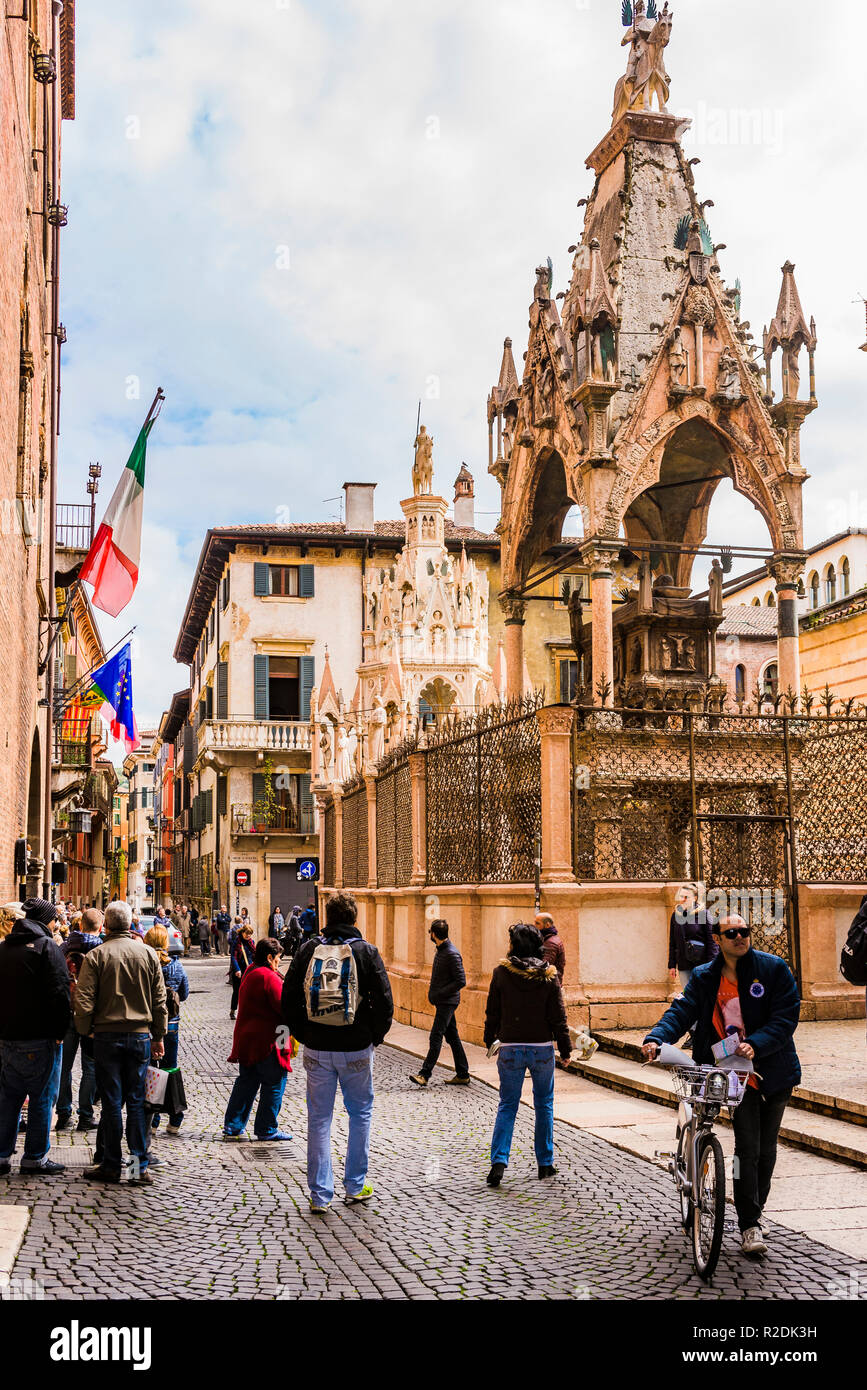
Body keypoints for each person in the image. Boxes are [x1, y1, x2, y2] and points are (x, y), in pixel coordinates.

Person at [641, 912, 801, 1258]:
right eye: (732, 933)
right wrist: (656, 1038)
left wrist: (756, 1043)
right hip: (731, 1077)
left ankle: (754, 1211)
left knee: (765, 1152)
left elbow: (786, 1016)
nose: (740, 937)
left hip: (772, 1073)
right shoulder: (704, 976)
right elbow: (680, 1013)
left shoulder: (773, 969)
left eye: (745, 931)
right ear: (718, 939)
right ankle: (749, 1225)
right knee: (746, 1149)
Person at [281, 891, 393, 1214]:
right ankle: (355, 1186)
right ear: (354, 919)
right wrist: (373, 1038)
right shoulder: (366, 952)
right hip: (356, 1047)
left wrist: (303, 1034)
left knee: (318, 1120)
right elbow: (385, 1003)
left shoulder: (307, 951)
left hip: (317, 1048)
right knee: (360, 1114)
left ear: (325, 918)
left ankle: (320, 1195)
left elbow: (288, 1000)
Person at [74, 901, 167, 1185]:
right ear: (129, 925)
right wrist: (159, 1035)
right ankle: (139, 1169)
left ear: (106, 926)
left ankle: (112, 1164)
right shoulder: (148, 954)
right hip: (139, 1036)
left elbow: (83, 999)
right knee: (137, 1103)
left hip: (105, 1036)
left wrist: (86, 1030)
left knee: (112, 1103)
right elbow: (160, 1000)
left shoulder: (96, 956)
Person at [483, 923, 572, 1188]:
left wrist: (490, 1040)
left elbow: (492, 1012)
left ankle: (498, 1162)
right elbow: (559, 1017)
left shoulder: (501, 973)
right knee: (544, 1104)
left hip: (510, 1047)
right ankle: (545, 1163)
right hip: (542, 1047)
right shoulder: (548, 976)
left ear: (515, 946)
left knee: (507, 1105)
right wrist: (565, 1049)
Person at [0, 898, 71, 1177]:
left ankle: (2, 1155)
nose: (56, 924)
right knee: (42, 1097)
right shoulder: (46, 947)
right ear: (46, 921)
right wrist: (59, 1033)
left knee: (8, 1097)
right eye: (54, 920)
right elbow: (60, 993)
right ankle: (35, 1158)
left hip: (8, 1037)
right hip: (40, 1037)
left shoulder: (4, 948)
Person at [223, 938, 294, 1141]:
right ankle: (266, 1127)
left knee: (247, 1081)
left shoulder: (251, 970)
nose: (279, 962)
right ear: (270, 957)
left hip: (247, 1039)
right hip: (269, 1040)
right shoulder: (268, 977)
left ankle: (233, 1125)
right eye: (278, 958)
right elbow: (283, 1007)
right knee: (275, 1081)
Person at [56, 907, 104, 1131]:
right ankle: (85, 1115)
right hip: (92, 1015)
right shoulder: (102, 949)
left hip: (66, 1013)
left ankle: (64, 1114)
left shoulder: (64, 947)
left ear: (81, 924)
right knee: (91, 1067)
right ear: (100, 926)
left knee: (64, 1068)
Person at [409, 919, 470, 1088]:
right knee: (452, 1037)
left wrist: (440, 993)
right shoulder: (442, 950)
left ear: (433, 934)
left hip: (447, 1002)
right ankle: (463, 1073)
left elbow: (461, 980)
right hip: (443, 1001)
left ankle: (424, 1074)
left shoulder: (451, 953)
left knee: (436, 1035)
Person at [144, 926, 189, 1136]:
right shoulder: (177, 966)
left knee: (151, 1070)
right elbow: (185, 993)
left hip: (148, 1025)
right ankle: (175, 1118)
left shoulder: (145, 964)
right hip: (171, 1024)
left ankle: (153, 1120)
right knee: (170, 1069)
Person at [668, 882, 718, 992]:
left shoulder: (703, 914)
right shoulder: (675, 915)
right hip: (683, 965)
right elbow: (672, 942)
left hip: (702, 964)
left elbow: (712, 941)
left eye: (687, 896)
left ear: (695, 898)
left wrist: (711, 965)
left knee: (703, 995)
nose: (683, 899)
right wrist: (672, 965)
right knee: (688, 996)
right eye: (682, 896)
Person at [229, 921, 255, 1020]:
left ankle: (245, 1011)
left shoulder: (251, 942)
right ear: (242, 932)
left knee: (248, 992)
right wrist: (237, 969)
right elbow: (233, 957)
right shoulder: (237, 942)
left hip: (249, 969)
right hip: (238, 970)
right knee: (237, 991)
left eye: (250, 935)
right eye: (247, 934)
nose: (248, 936)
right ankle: (233, 1010)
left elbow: (254, 954)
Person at [534, 912, 566, 984]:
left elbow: (543, 967)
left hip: (550, 986)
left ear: (547, 925)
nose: (534, 926)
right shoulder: (548, 938)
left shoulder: (550, 943)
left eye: (537, 923)